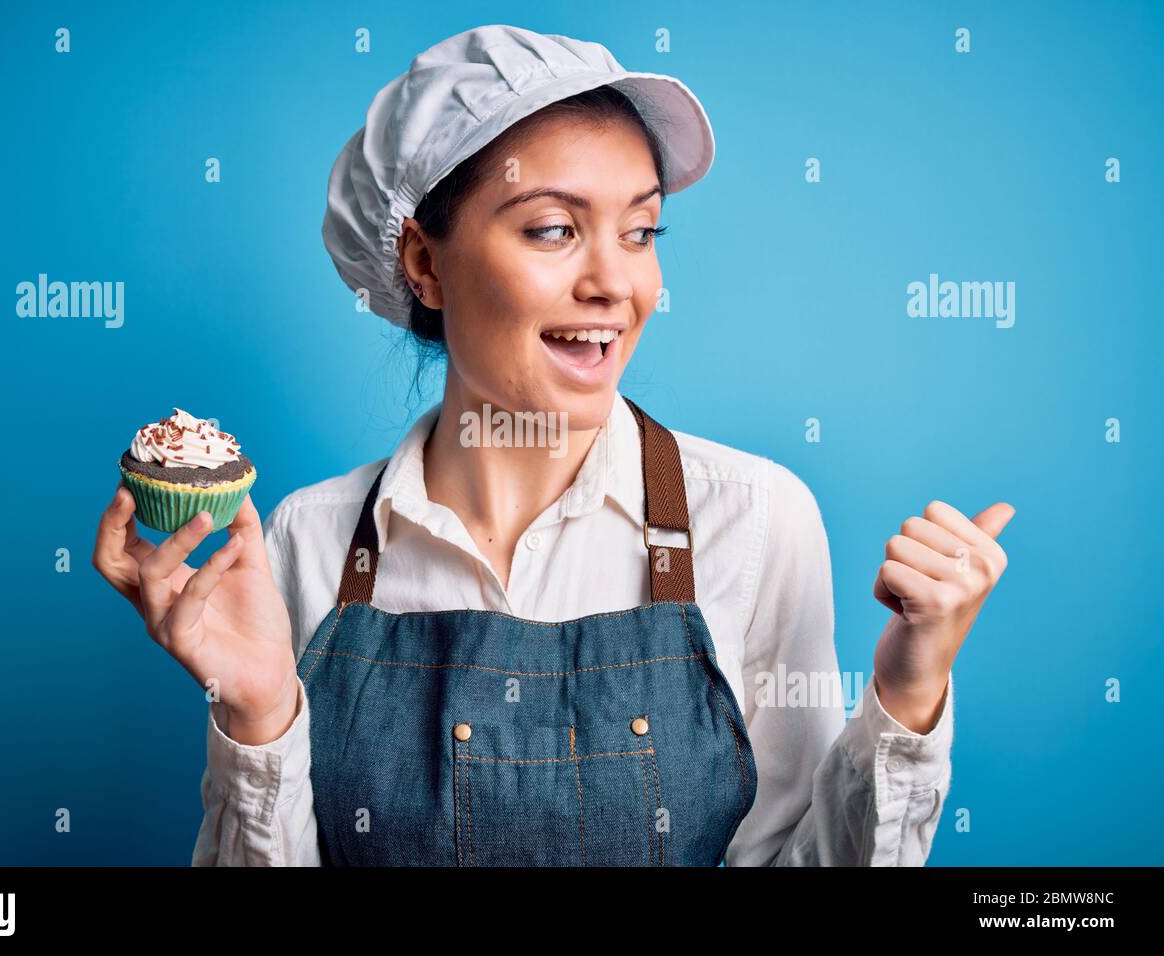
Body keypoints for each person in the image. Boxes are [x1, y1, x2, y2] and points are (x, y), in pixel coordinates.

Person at [93, 25, 1014, 866]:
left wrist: (908, 690)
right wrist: (254, 719)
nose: (617, 282)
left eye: (642, 231)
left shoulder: (758, 518)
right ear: (423, 263)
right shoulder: (310, 540)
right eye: (552, 229)